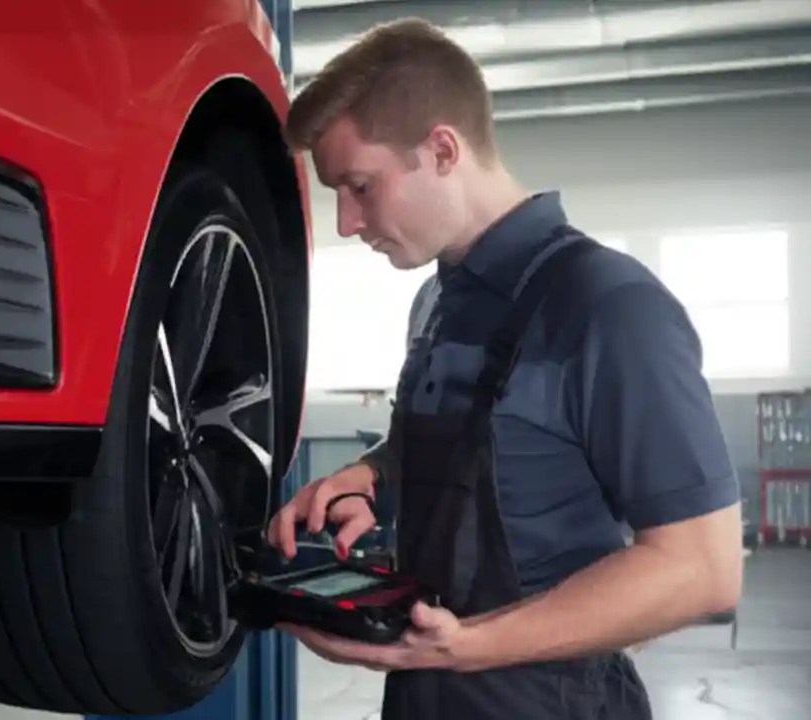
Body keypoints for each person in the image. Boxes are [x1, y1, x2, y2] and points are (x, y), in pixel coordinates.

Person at [266, 17, 744, 719]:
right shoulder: (438, 302)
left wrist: (473, 646)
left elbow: (702, 569)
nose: (345, 221)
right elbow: (495, 443)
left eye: (360, 186)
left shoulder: (607, 305)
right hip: (428, 694)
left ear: (442, 150)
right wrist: (375, 474)